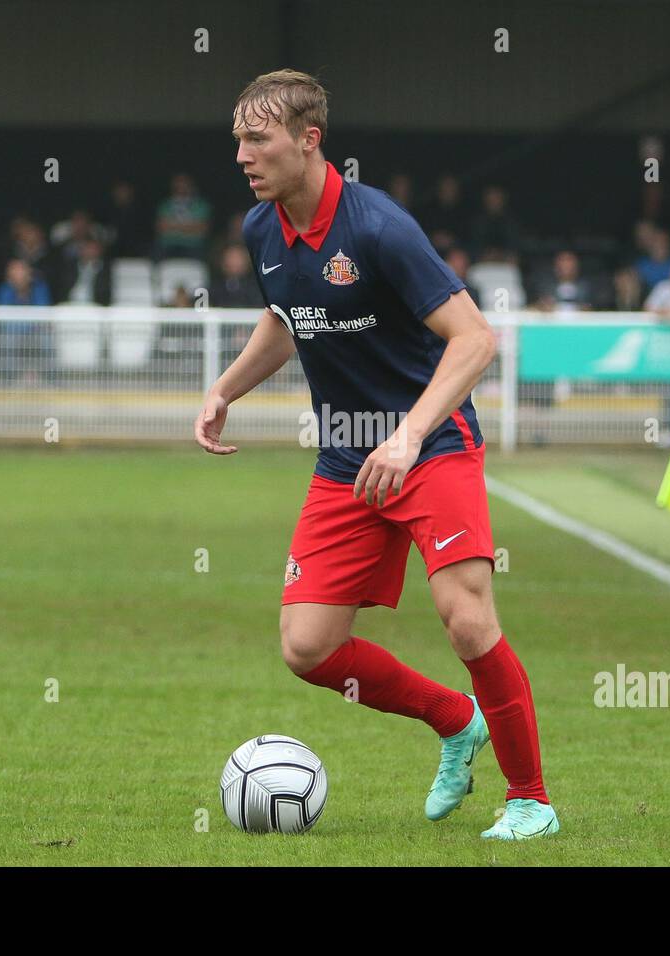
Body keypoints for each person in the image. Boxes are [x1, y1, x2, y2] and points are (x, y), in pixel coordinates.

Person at [197, 69, 556, 840]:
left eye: (257, 139)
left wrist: (408, 435)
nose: (243, 156)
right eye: (238, 140)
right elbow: (286, 320)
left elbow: (475, 339)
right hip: (345, 463)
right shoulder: (263, 227)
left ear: (308, 139)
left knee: (466, 620)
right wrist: (226, 388)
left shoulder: (380, 228)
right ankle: (455, 720)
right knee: (306, 647)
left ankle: (530, 799)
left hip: (431, 450)